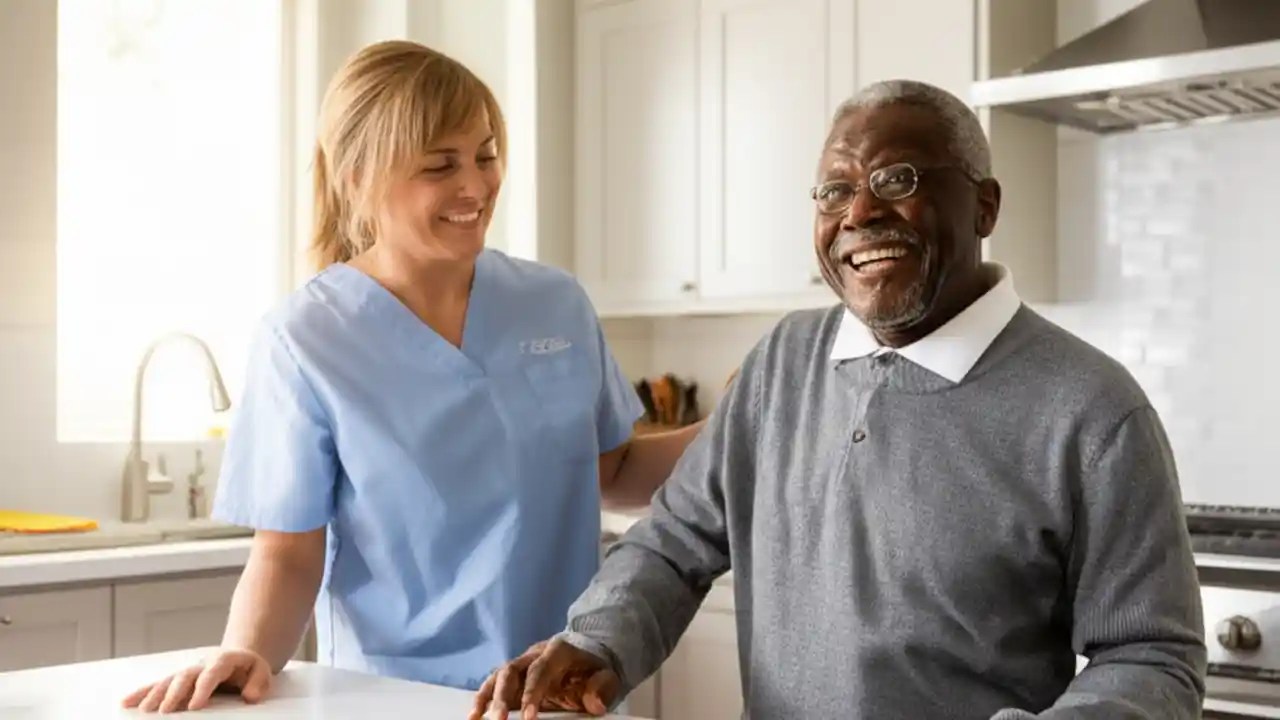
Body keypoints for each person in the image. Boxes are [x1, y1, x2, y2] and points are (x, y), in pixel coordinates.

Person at [474, 80, 1207, 720]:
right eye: (834, 189)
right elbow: (674, 545)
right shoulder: (781, 364)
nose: (859, 212)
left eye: (896, 180)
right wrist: (598, 638)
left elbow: (1151, 658)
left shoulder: (1092, 410)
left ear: (984, 206)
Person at [120, 40, 702, 714]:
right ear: (358, 176)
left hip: (562, 692)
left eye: (485, 155)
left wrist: (743, 424)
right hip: (399, 699)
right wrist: (246, 649)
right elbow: (288, 554)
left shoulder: (555, 303)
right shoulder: (307, 338)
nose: (476, 187)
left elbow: (614, 469)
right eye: (439, 165)